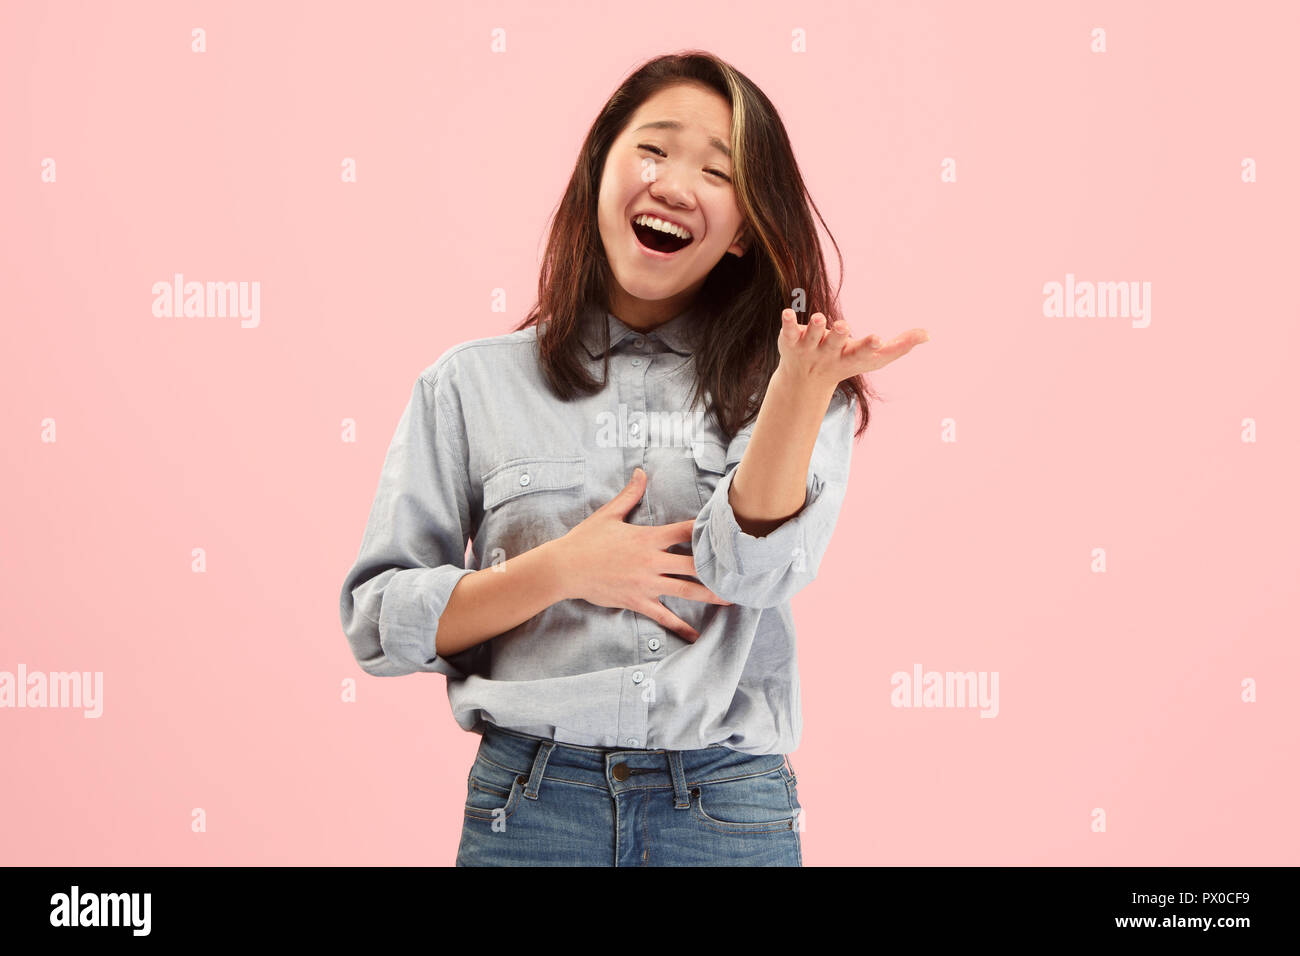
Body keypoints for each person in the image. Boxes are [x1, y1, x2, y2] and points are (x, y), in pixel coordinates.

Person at [339, 50, 929, 866]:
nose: (675, 184)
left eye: (717, 172)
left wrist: (794, 394)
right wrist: (561, 570)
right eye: (653, 149)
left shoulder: (795, 382)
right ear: (598, 173)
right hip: (531, 807)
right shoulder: (466, 386)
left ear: (741, 235)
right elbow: (379, 624)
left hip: (725, 810)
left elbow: (745, 573)